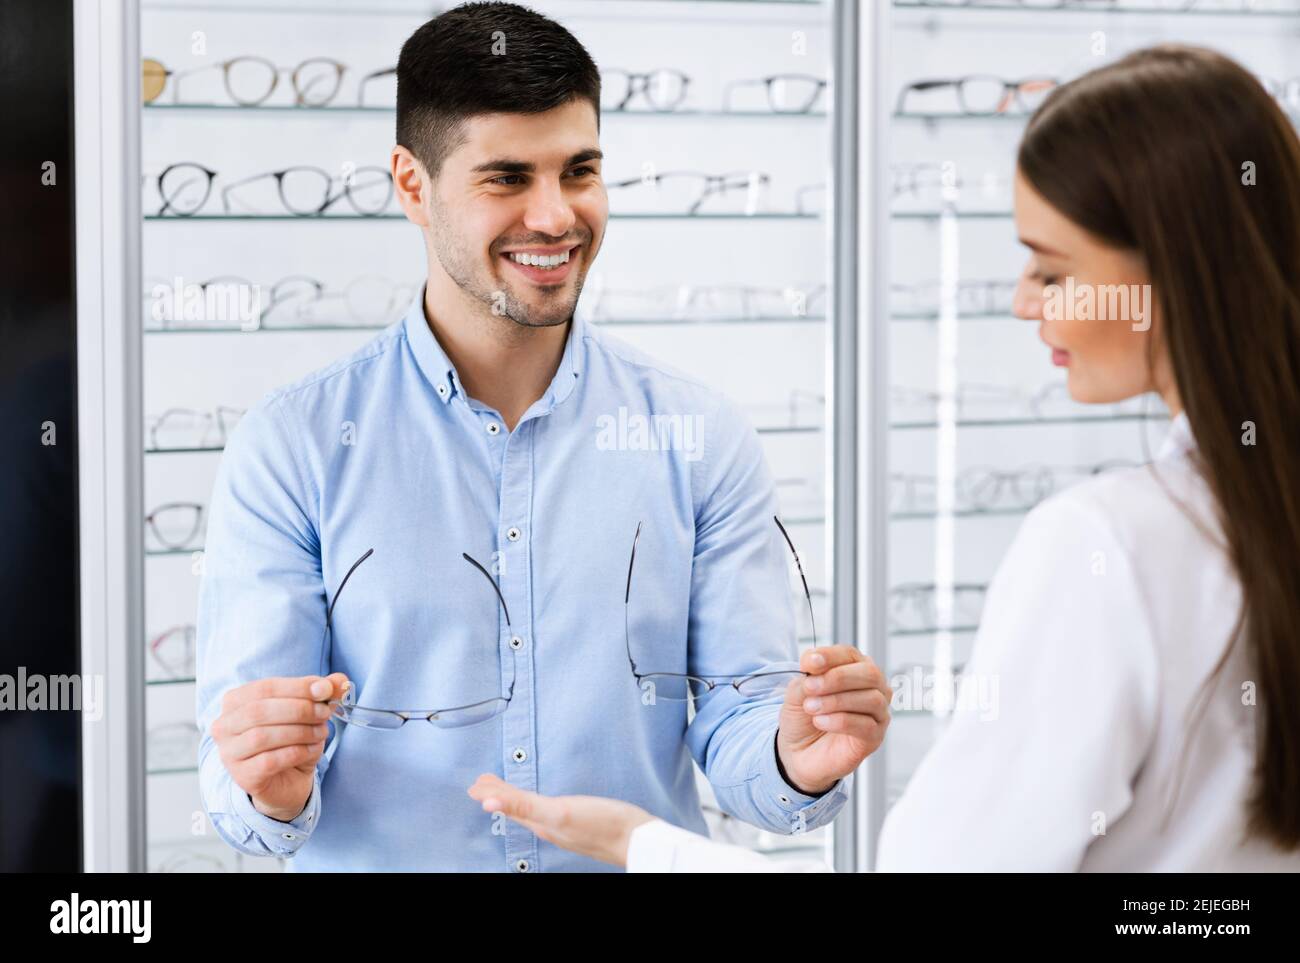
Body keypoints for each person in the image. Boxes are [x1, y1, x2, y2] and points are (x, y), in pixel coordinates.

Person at [469, 44, 1300, 872]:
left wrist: (638, 842)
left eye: (1051, 271)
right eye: (506, 177)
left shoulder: (1106, 544)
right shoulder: (1233, 515)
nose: (1022, 301)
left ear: (1170, 274)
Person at [195, 1, 890, 872]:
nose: (557, 217)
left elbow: (744, 727)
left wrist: (793, 756)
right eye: (508, 178)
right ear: (412, 185)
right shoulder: (292, 447)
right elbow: (240, 780)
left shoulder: (698, 438)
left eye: (580, 170)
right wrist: (269, 784)